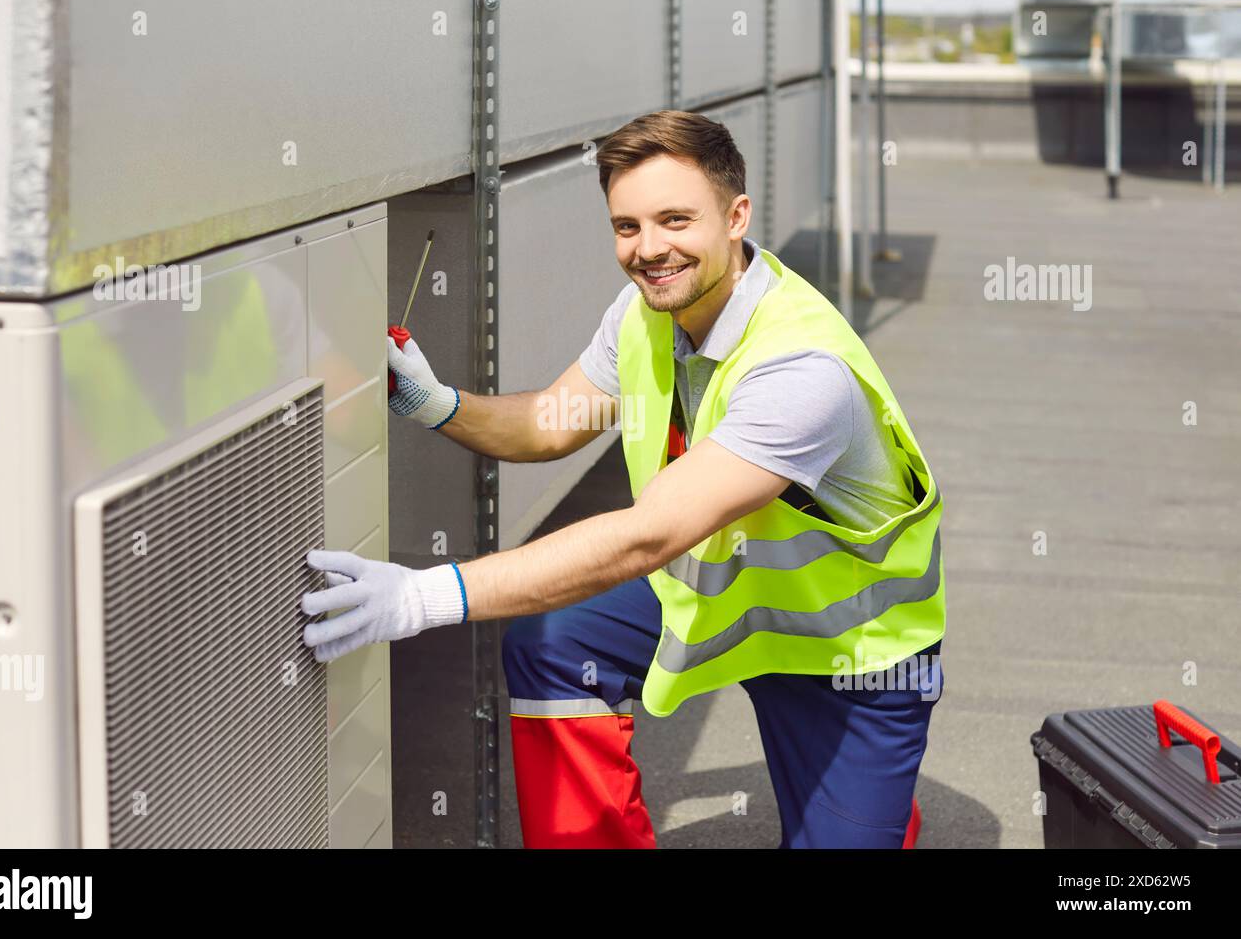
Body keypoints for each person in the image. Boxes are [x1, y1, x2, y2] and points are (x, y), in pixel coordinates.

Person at [299, 109, 946, 849]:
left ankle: (873, 810)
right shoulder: (646, 313)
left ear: (737, 217)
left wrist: (423, 596)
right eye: (627, 226)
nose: (649, 250)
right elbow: (551, 419)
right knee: (551, 639)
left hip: (847, 651)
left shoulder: (803, 369)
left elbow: (649, 535)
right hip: (723, 592)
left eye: (675, 219)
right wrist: (435, 402)